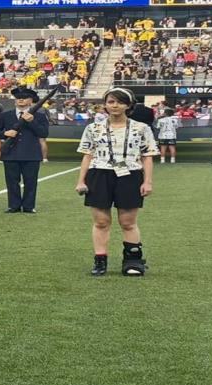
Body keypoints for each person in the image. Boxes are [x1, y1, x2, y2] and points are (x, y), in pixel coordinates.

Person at [74, 87, 158, 277]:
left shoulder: (141, 128)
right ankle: (100, 260)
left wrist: (148, 182)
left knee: (128, 222)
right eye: (111, 102)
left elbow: (147, 156)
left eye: (120, 102)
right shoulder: (93, 128)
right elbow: (87, 156)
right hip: (99, 174)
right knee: (101, 221)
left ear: (128, 105)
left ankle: (133, 261)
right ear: (105, 105)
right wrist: (81, 181)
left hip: (130, 174)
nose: (115, 105)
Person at [0, 86, 48, 213]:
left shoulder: (39, 116)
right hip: (11, 153)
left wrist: (32, 121)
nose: (20, 100)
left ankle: (29, 206)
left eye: (24, 98)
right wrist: (6, 134)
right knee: (12, 182)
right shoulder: (5, 115)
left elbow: (43, 133)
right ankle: (13, 206)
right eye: (18, 98)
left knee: (30, 182)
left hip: (30, 153)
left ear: (31, 100)